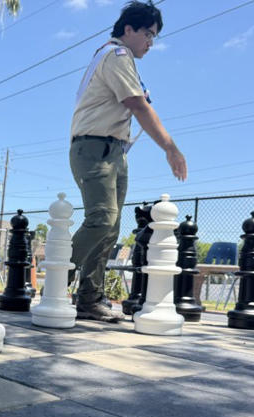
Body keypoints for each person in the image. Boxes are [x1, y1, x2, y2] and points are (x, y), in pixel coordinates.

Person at [68, 0, 187, 322]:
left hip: (114, 151)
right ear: (129, 29)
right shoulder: (115, 55)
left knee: (110, 229)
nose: (150, 42)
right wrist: (170, 148)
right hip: (95, 148)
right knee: (102, 219)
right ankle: (55, 279)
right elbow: (137, 104)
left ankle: (89, 298)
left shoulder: (121, 60)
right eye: (148, 34)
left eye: (154, 37)